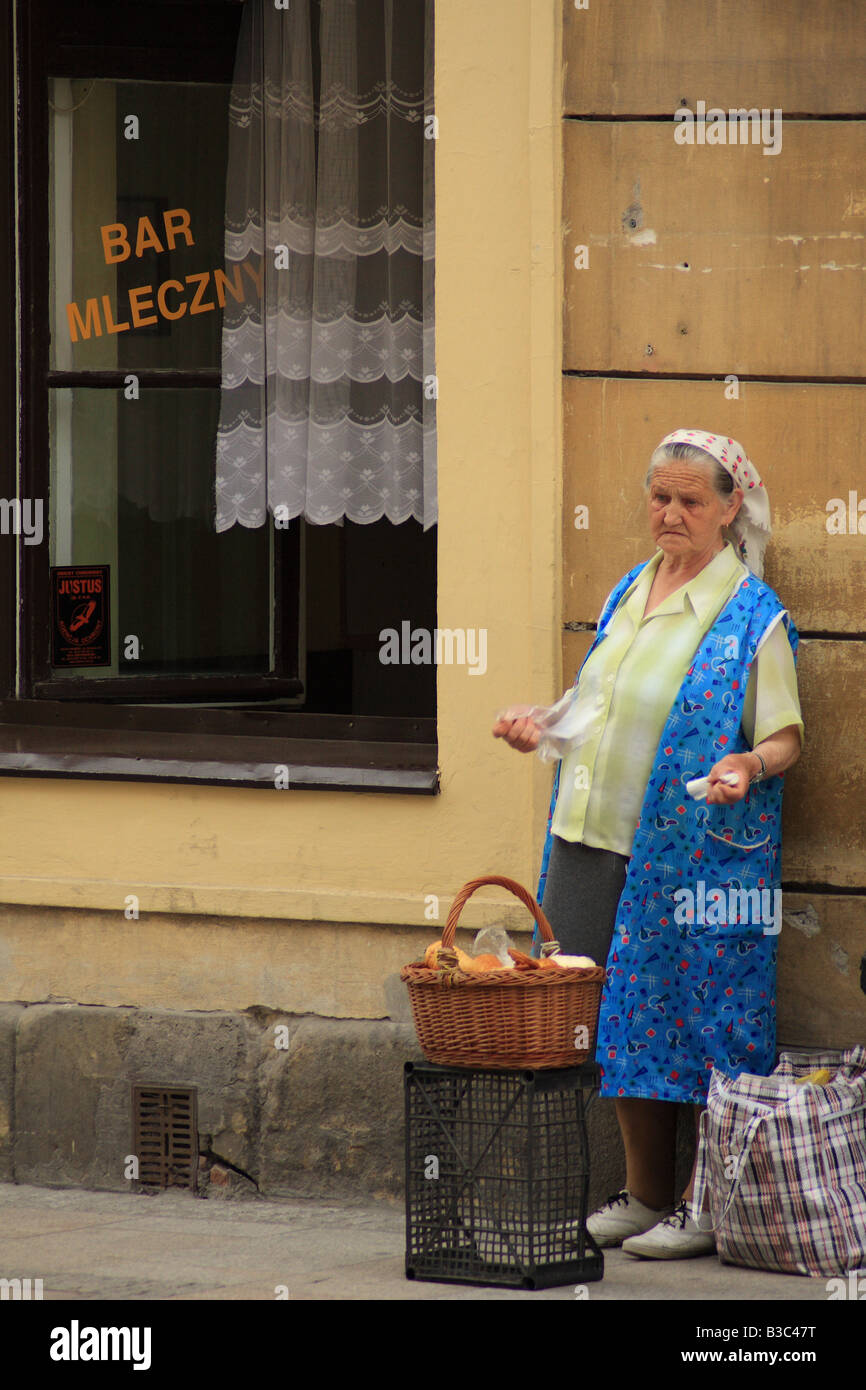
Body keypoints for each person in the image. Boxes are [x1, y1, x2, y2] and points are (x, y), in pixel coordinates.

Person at [493, 429, 804, 1259]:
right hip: (592, 831)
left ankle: (709, 1205)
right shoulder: (632, 586)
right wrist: (542, 725)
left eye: (690, 501)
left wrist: (749, 760)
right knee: (615, 1012)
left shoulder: (753, 617)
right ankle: (646, 1194)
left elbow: (785, 736)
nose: (669, 514)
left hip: (693, 848)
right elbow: (594, 702)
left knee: (706, 1012)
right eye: (659, 499)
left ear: (730, 507)